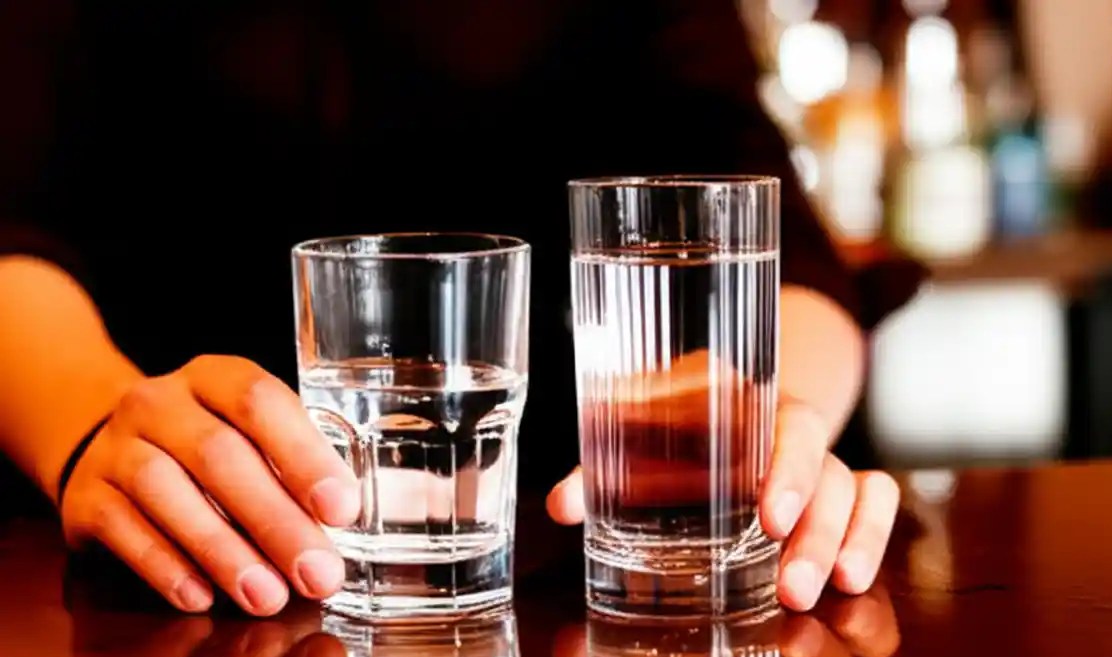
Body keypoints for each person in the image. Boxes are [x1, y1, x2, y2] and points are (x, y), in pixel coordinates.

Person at [0, 0, 903, 616]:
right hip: (152, 553)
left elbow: (778, 241)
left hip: (548, 567)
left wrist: (780, 427)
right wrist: (88, 425)